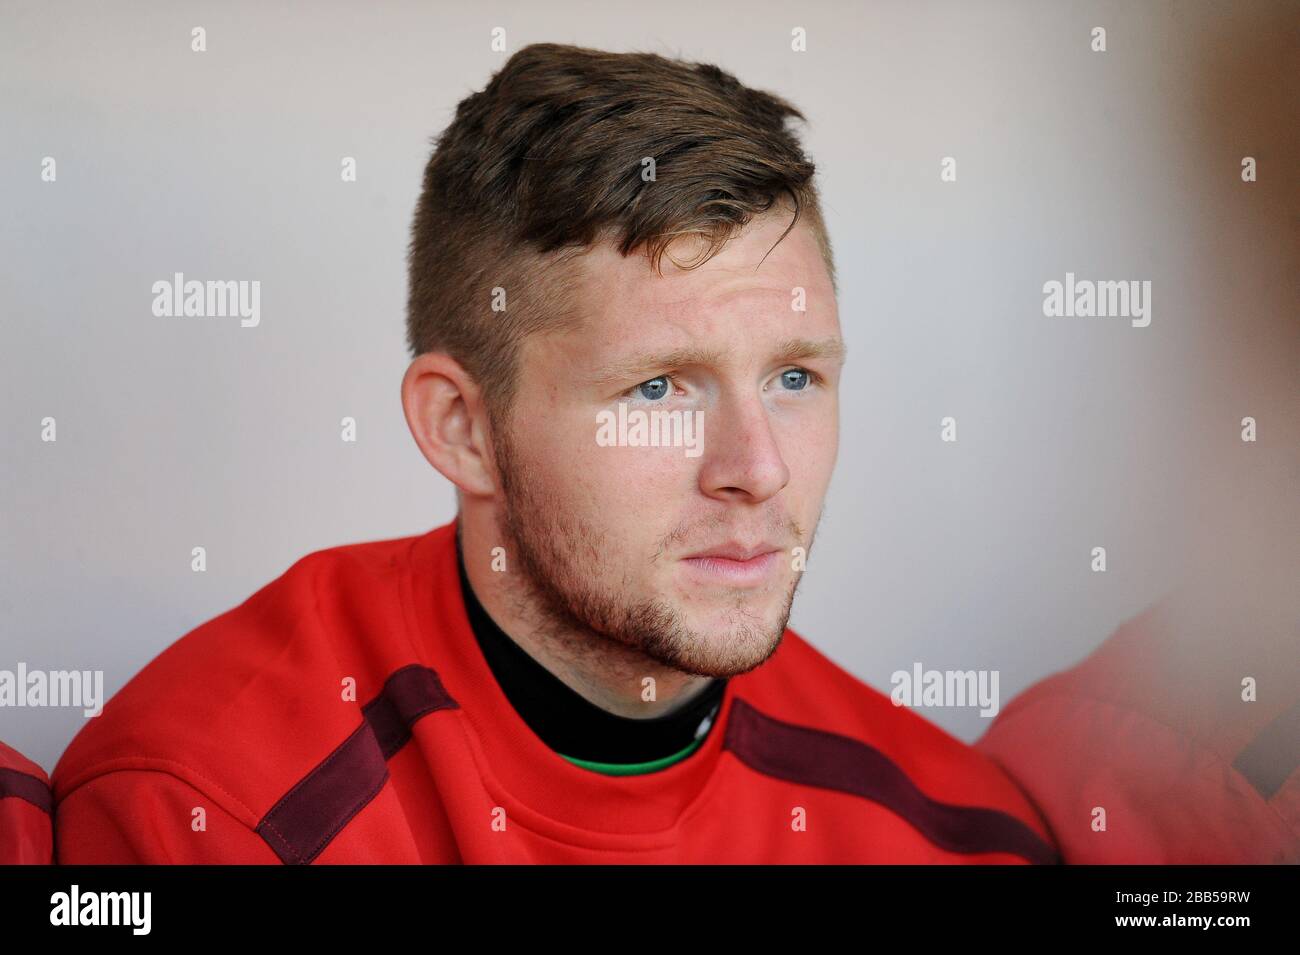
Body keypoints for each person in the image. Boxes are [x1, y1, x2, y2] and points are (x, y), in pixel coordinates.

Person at [51, 43, 1057, 863]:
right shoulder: (209, 809)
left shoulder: (952, 834)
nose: (757, 469)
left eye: (794, 378)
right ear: (463, 428)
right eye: (658, 387)